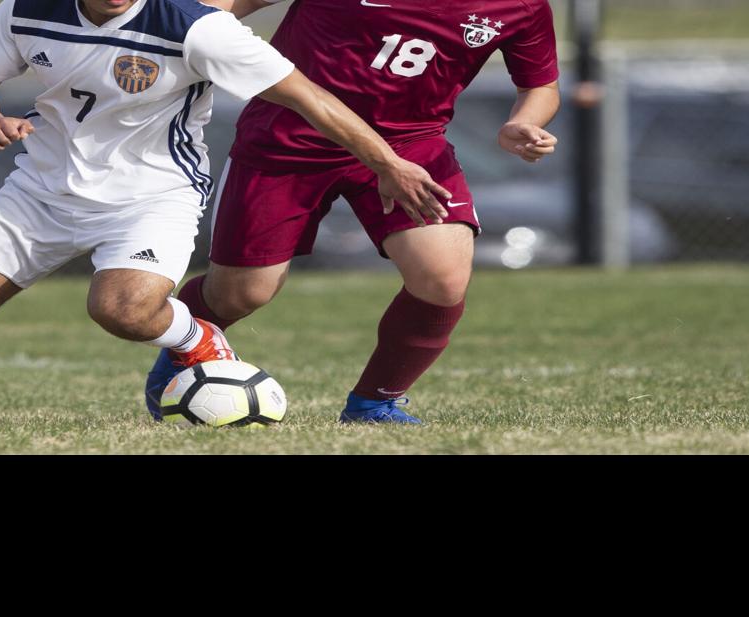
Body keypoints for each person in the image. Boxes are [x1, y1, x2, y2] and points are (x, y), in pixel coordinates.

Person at [0, 0, 451, 425]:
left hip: (152, 194)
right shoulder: (25, 10)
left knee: (122, 310)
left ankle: (200, 343)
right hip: (41, 190)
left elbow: (310, 97)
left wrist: (387, 163)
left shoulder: (198, 26)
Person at [144, 0, 560, 425]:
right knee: (242, 293)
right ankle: (184, 352)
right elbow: (222, 8)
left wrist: (521, 122)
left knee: (443, 278)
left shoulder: (521, 6)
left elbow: (540, 85)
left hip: (410, 147)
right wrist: (152, 35)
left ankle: (373, 404)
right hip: (289, 138)